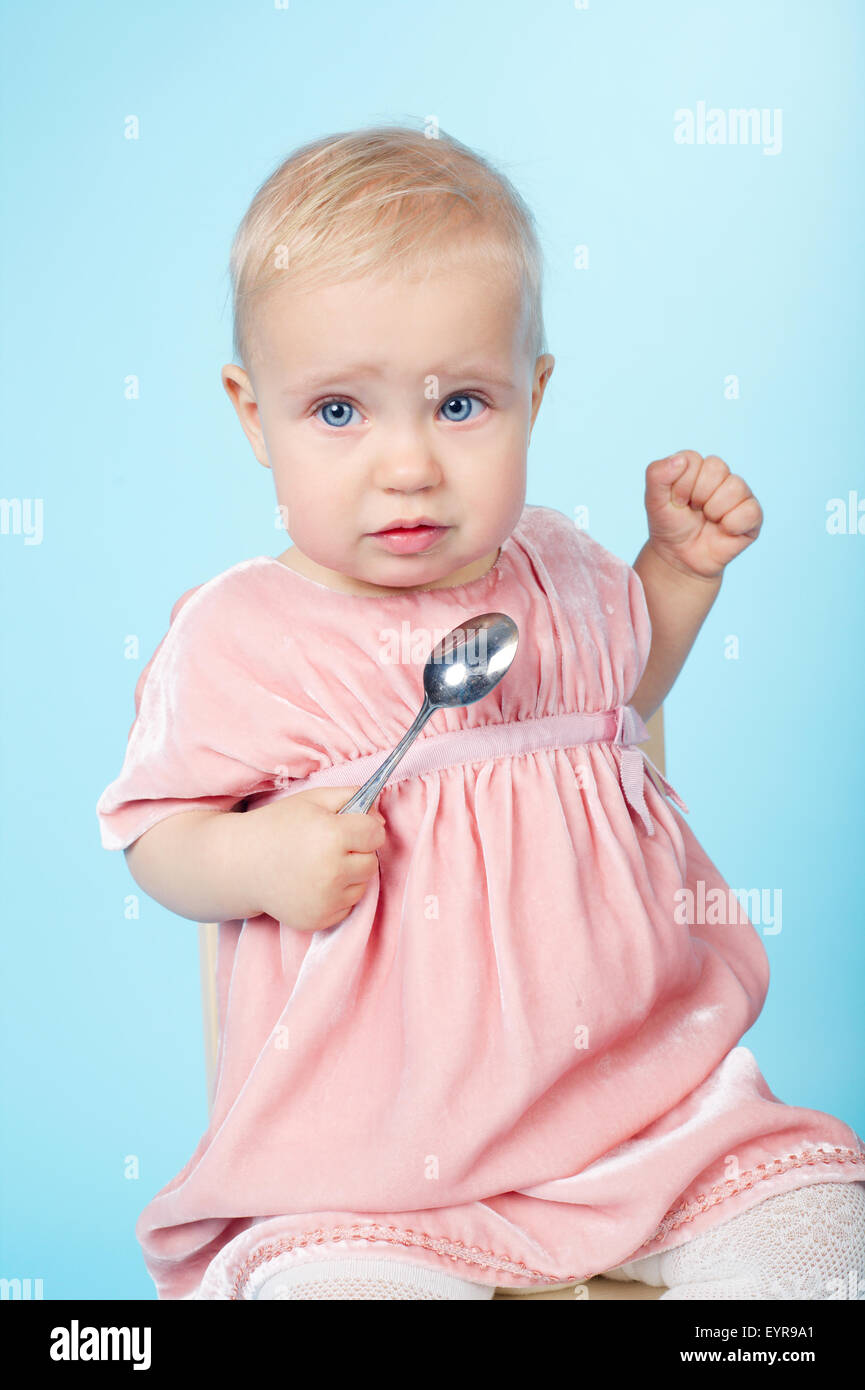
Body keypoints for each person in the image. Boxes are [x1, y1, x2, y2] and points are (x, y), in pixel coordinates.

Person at [96, 125, 865, 1300]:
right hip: (367, 1164)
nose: (407, 465)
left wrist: (676, 573)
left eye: (460, 404)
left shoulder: (553, 563)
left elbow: (618, 701)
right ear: (253, 416)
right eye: (340, 414)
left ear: (534, 393)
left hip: (643, 1110)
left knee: (812, 1255)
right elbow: (153, 833)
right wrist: (256, 853)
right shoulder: (241, 633)